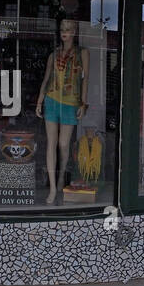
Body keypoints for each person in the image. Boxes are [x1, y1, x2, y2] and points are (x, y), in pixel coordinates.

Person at [39, 17, 86, 201]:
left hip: (70, 102)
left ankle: (60, 177)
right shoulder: (54, 54)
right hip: (51, 99)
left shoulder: (82, 53)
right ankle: (52, 187)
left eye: (68, 28)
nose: (64, 32)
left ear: (74, 31)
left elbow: (85, 79)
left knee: (63, 144)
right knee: (51, 143)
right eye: (62, 29)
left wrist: (83, 103)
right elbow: (46, 78)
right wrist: (39, 99)